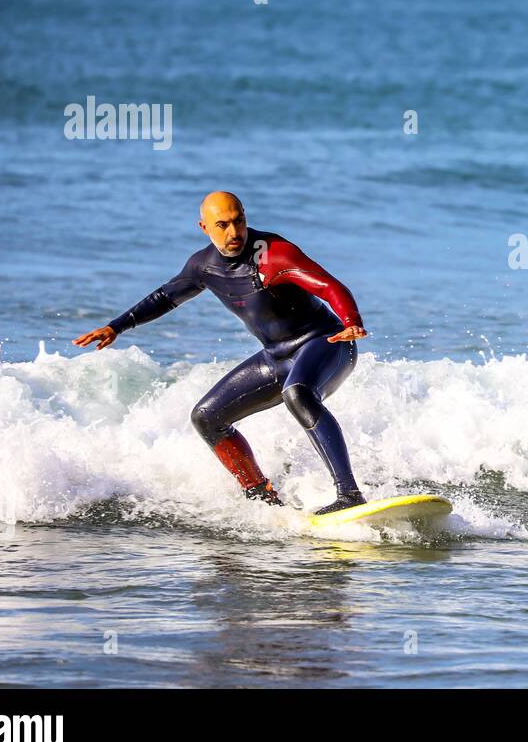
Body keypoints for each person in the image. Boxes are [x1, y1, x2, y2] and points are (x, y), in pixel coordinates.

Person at [73, 191, 369, 514]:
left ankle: (349, 494)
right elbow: (165, 297)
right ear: (204, 228)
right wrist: (117, 326)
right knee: (207, 417)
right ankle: (263, 499)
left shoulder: (272, 255)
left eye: (239, 221)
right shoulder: (204, 266)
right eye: (223, 225)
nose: (234, 233)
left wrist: (351, 321)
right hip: (277, 357)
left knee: (297, 393)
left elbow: (328, 286)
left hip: (327, 341)